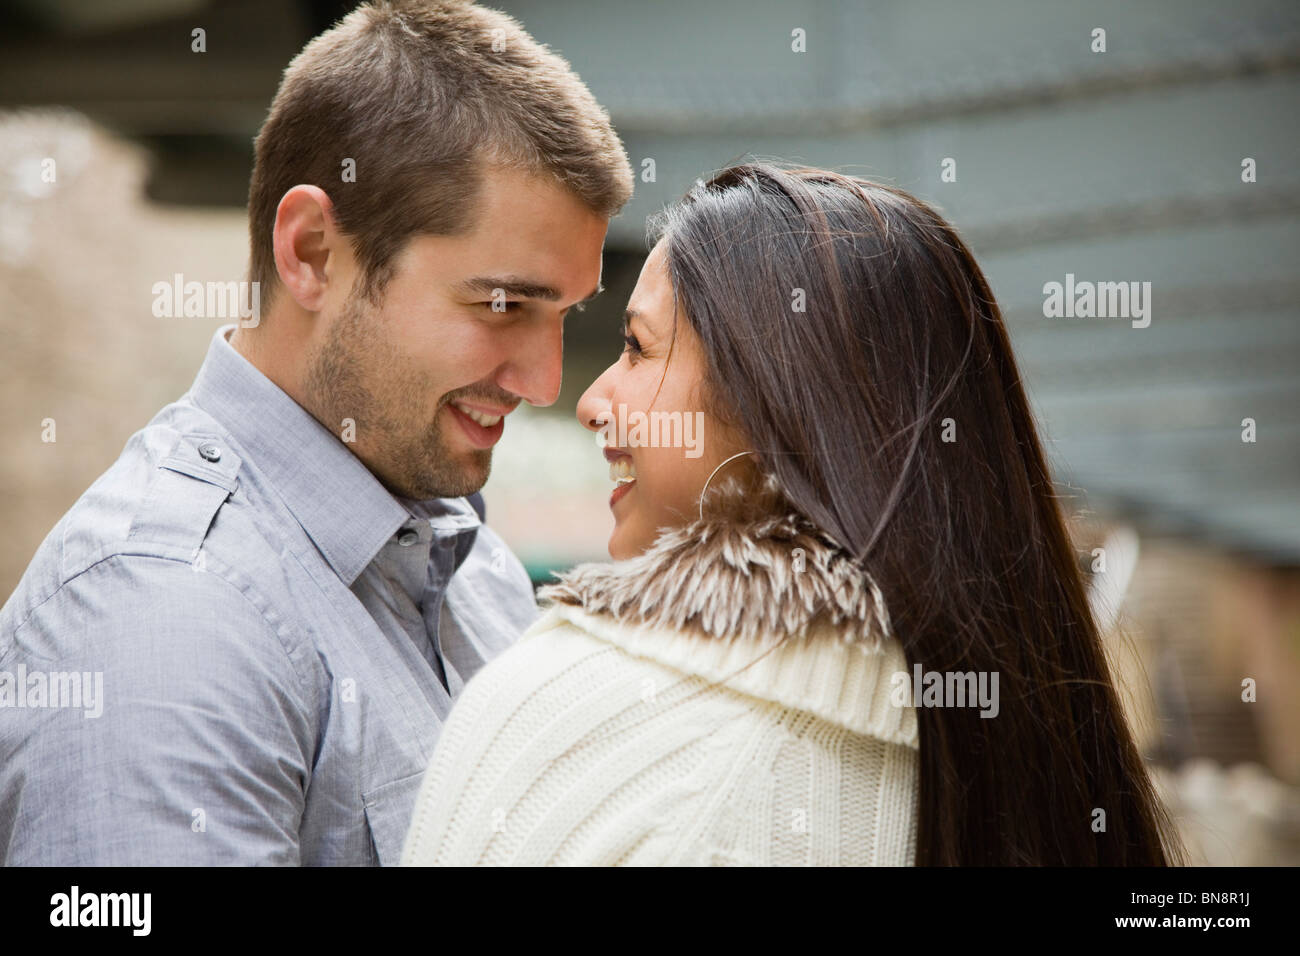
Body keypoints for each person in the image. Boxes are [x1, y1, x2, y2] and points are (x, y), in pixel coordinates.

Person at [401, 163, 1186, 866]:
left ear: (775, 402)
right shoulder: (1043, 751)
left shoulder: (561, 713)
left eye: (637, 348)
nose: (592, 400)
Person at [0, 0, 632, 865]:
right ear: (310, 253)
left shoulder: (469, 562)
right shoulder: (163, 620)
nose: (548, 381)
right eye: (502, 304)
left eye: (564, 313)